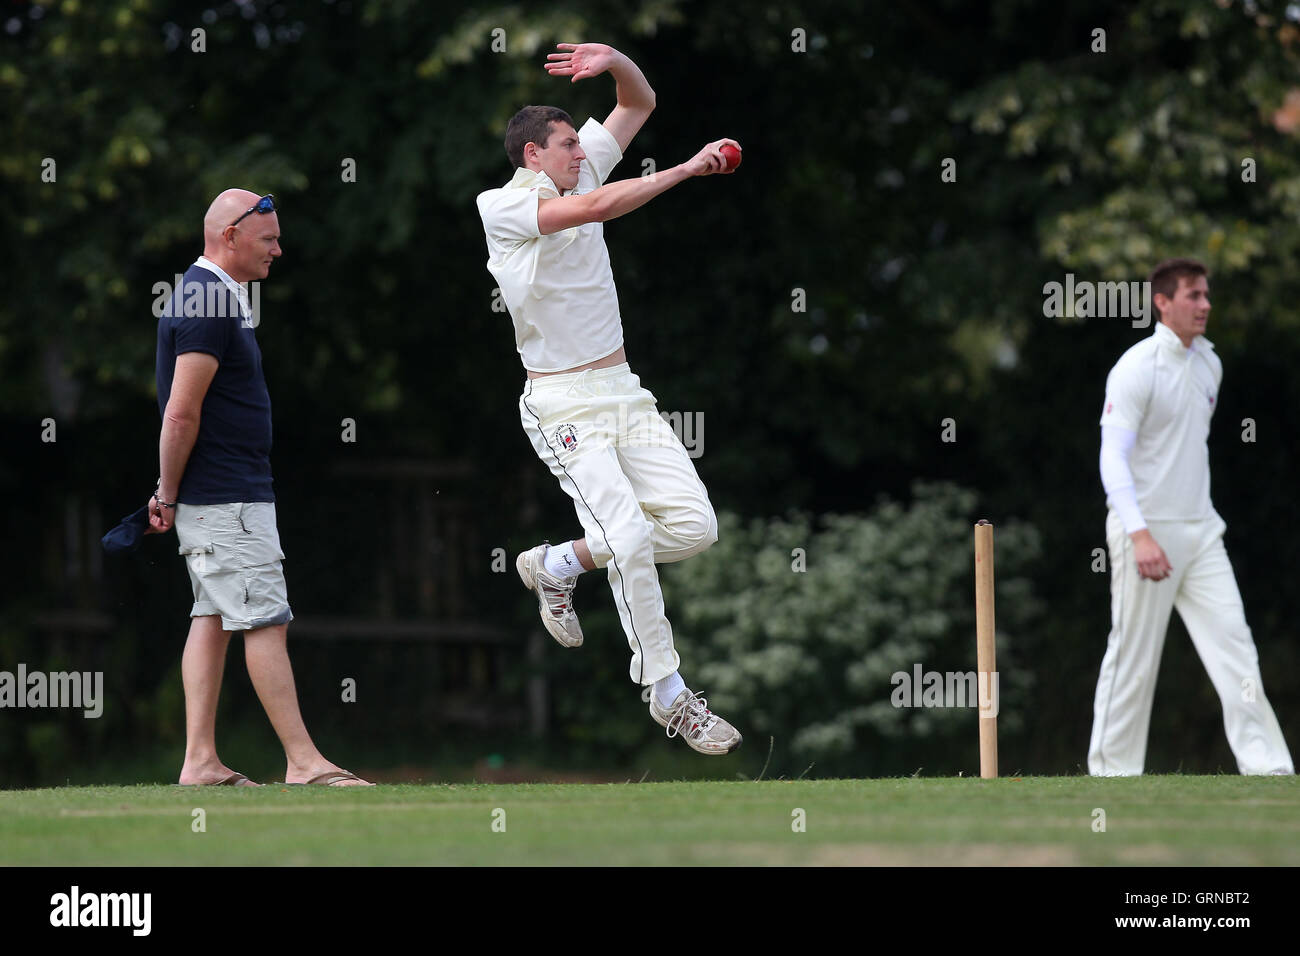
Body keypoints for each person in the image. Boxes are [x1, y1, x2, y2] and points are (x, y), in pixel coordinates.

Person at [476, 42, 742, 755]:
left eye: (577, 143)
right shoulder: (502, 206)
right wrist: (685, 170)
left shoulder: (583, 164)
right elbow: (594, 207)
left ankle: (558, 564)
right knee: (626, 538)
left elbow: (638, 103)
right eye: (566, 146)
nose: (579, 153)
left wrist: (616, 58)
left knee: (694, 528)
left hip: (623, 390)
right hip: (563, 405)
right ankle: (671, 695)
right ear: (533, 154)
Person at [148, 188, 372, 786]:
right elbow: (180, 413)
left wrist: (171, 491)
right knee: (265, 619)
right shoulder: (207, 303)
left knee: (212, 617)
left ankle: (199, 762)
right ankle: (304, 762)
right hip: (227, 498)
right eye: (268, 239)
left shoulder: (217, 296)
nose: (279, 248)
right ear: (230, 237)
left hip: (220, 494)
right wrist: (166, 492)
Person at [1089, 257, 1293, 776]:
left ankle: (1269, 770)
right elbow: (1112, 457)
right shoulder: (1136, 367)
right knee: (1133, 658)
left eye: (1206, 295)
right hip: (1144, 532)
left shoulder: (1210, 364)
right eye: (1193, 296)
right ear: (1162, 302)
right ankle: (1112, 776)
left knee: (1237, 654)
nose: (1205, 305)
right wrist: (1140, 535)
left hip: (1202, 532)